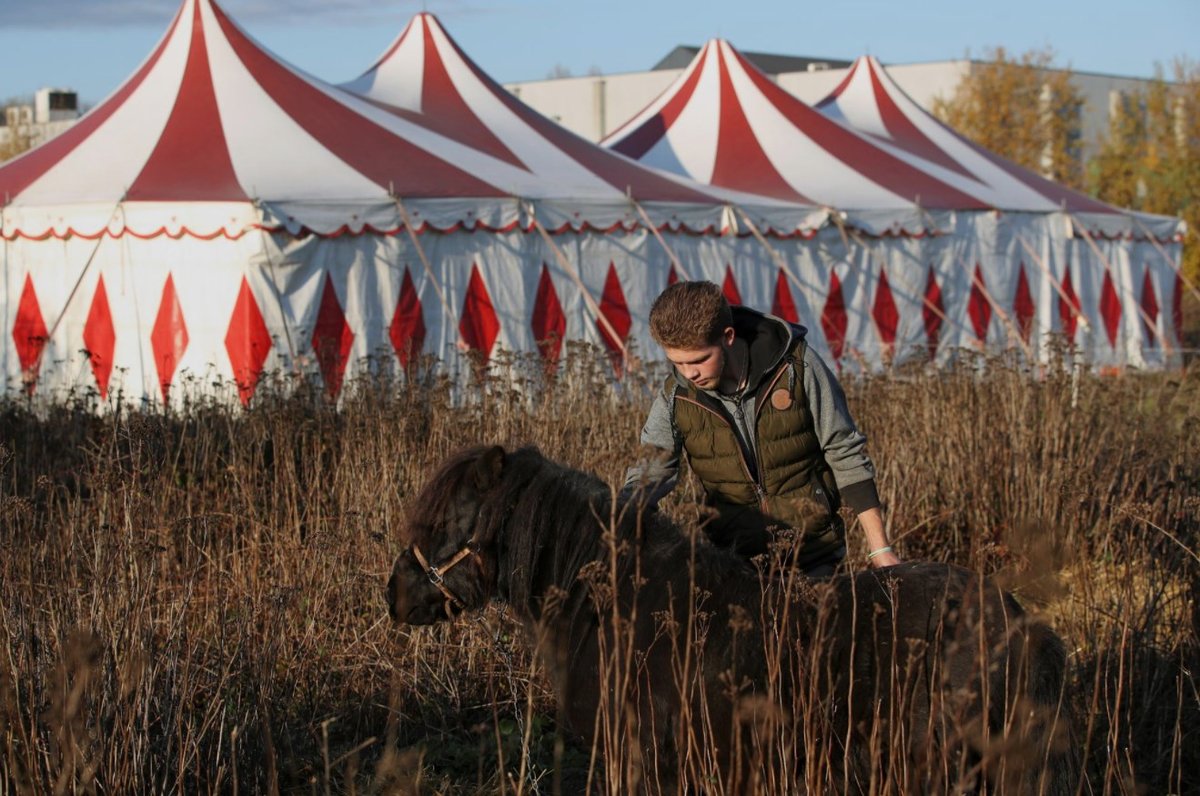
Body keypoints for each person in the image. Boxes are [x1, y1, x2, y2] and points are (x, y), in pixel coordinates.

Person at [623, 280, 900, 575]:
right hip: (733, 566)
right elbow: (649, 472)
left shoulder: (797, 367)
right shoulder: (675, 395)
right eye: (677, 363)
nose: (690, 373)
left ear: (727, 336)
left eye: (700, 359)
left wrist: (881, 550)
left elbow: (843, 450)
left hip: (814, 557)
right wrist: (621, 519)